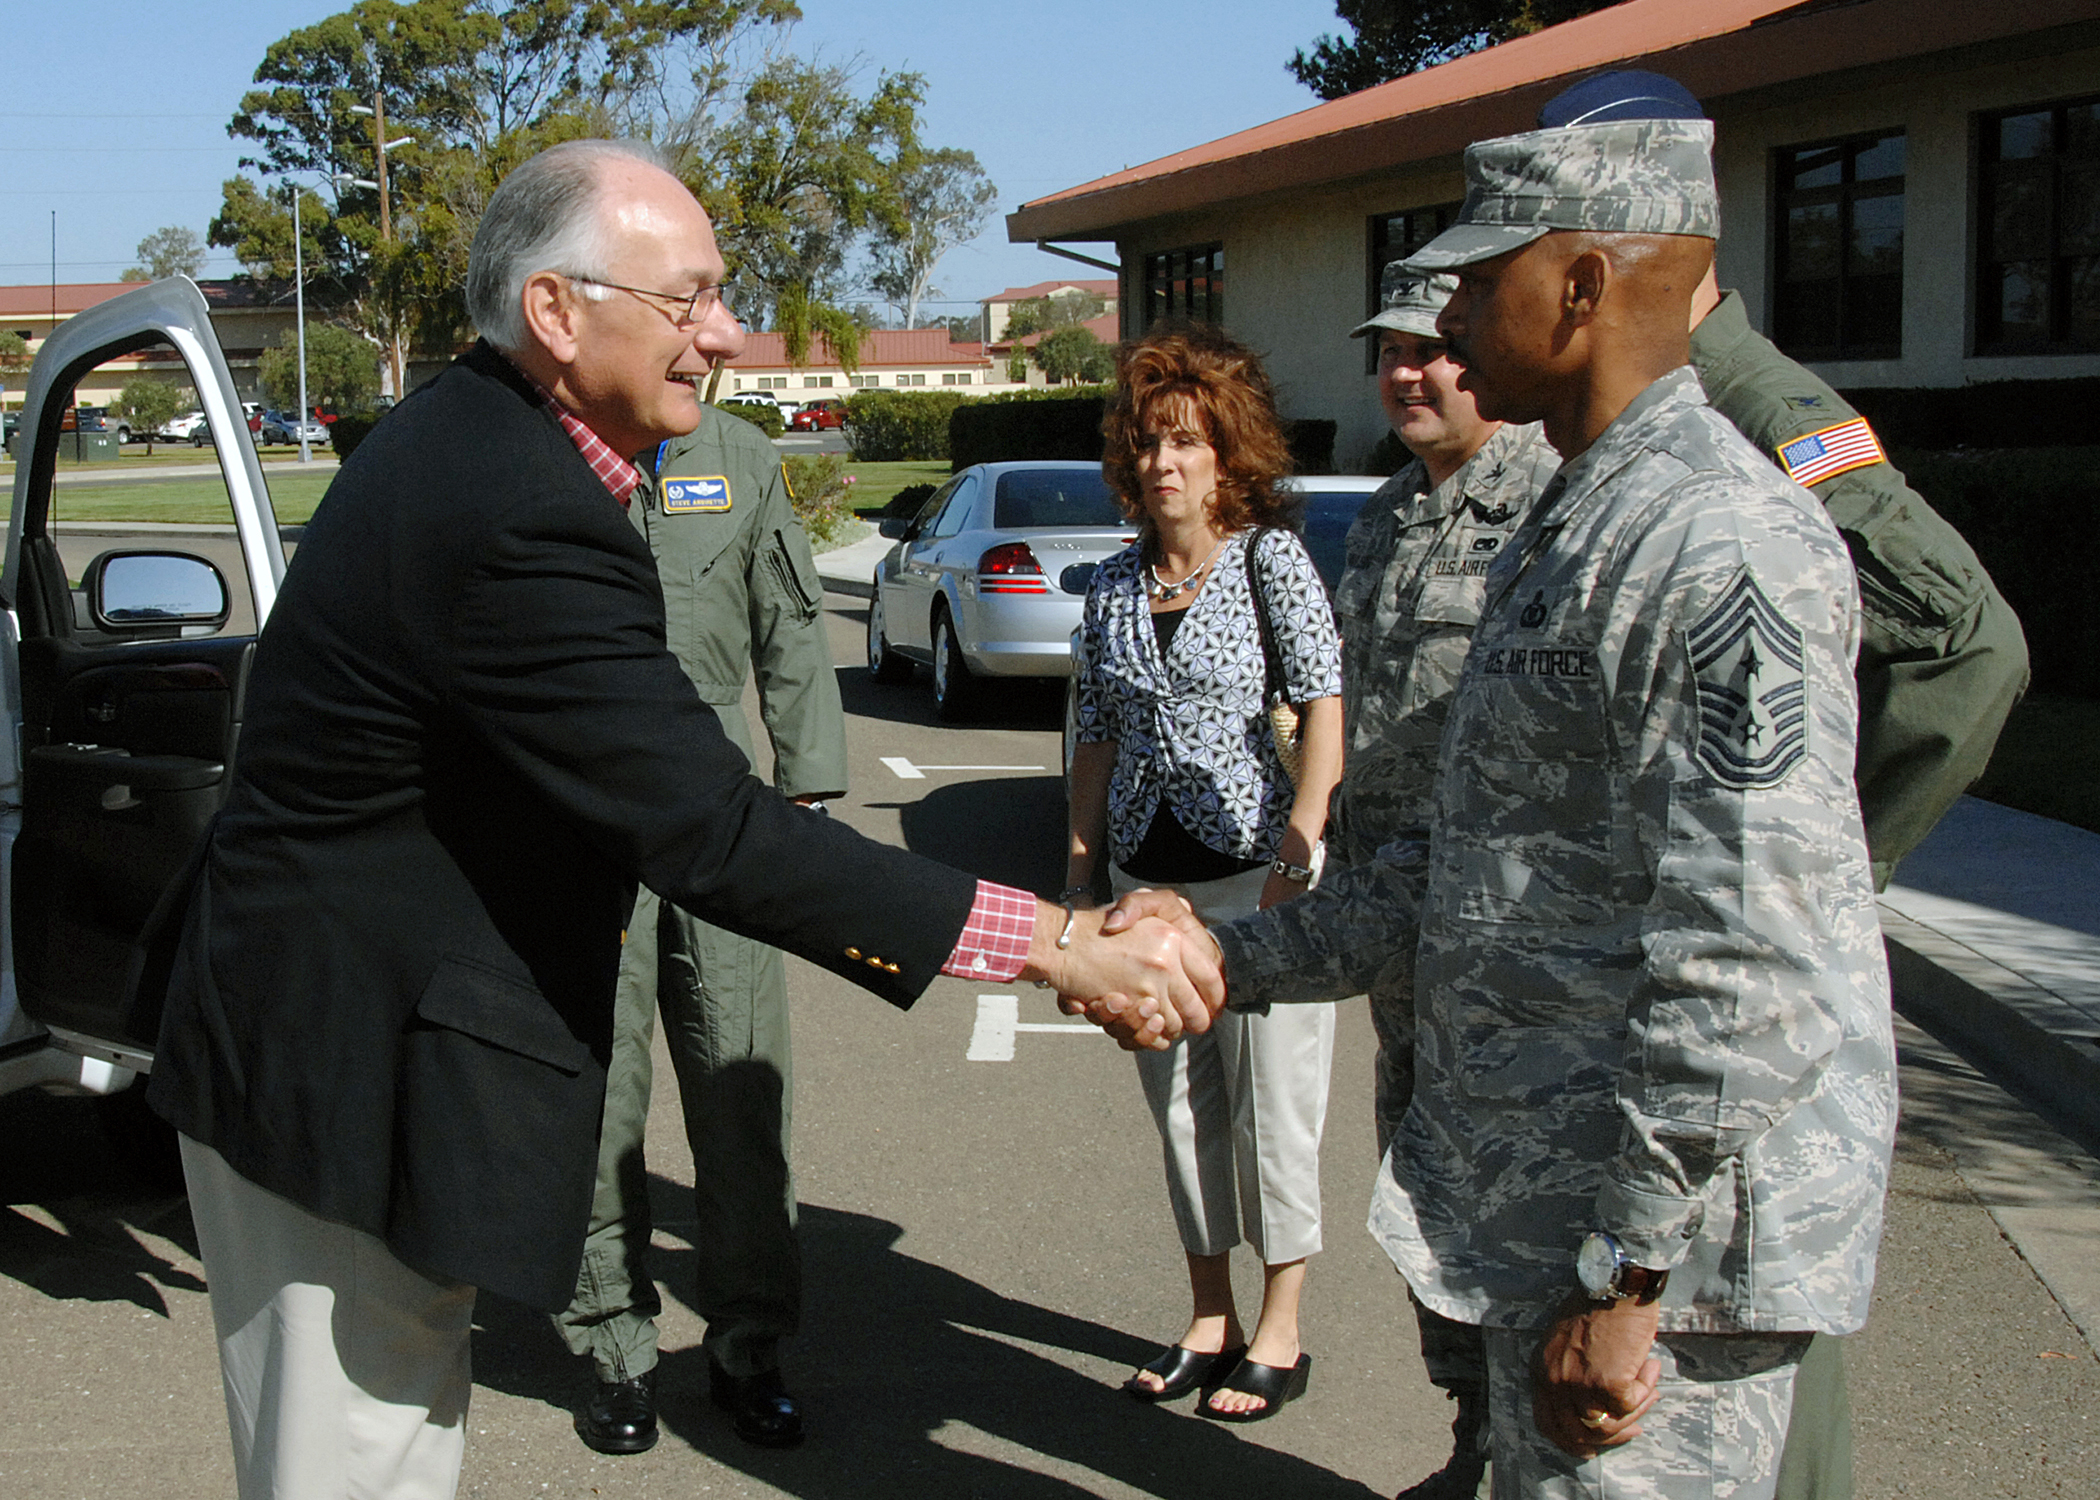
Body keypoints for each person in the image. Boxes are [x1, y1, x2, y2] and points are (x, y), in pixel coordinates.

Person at [144, 138, 1217, 1500]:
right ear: (556, 310)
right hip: (340, 1078)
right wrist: (1058, 945)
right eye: (687, 298)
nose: (721, 333)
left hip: (330, 1050)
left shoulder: (490, 449)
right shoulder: (515, 508)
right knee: (349, 1470)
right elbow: (706, 826)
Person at [1095, 113, 1898, 1498]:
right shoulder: (1580, 518)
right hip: (1553, 1207)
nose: (1449, 320)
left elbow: (1750, 960)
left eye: (1478, 280)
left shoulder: (1716, 542)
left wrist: (1630, 1277)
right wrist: (1228, 951)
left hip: (1660, 1269)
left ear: (1582, 287)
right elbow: (1465, 862)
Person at [1543, 70, 2032, 1500]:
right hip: (1660, 1011)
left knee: (1753, 1394)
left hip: (1743, 1020)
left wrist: (1827, 871)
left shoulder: (1752, 408)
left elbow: (1967, 645)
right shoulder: (1631, 417)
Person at [1066, 325, 1344, 1422]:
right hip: (1150, 891)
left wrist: (1303, 840)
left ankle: (1282, 1326)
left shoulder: (1270, 561)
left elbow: (1324, 703)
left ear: (1227, 457)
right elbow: (1093, 732)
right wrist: (1084, 872)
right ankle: (1208, 1316)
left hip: (1260, 885)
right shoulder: (1116, 583)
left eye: (1186, 443)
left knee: (1275, 1109)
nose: (1164, 463)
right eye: (1148, 444)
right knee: (1184, 1111)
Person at [554, 408, 844, 1454]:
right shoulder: (545, 450)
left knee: (742, 1082)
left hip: (720, 807)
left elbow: (792, 620)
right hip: (581, 815)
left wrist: (807, 794)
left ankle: (749, 1346)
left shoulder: (740, 457)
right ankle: (613, 1346)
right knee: (598, 1096)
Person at [1331, 267, 1559, 1500]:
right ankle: (1469, 1435)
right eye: (1392, 353)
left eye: (1436, 349)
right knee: (1418, 1180)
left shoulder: (1553, 507)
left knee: (1511, 1200)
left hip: (1505, 928)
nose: (1410, 373)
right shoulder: (1379, 520)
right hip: (1394, 932)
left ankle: (1527, 1446)